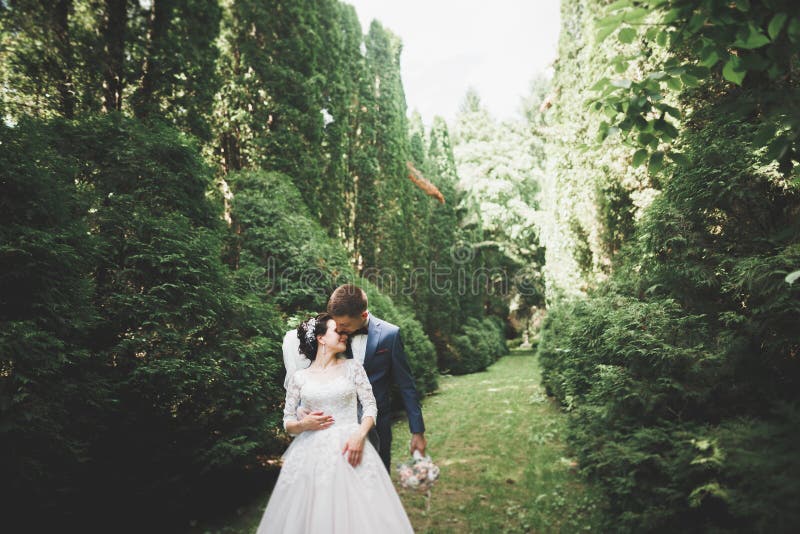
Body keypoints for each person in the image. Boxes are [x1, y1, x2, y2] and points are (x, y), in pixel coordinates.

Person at [257, 314, 414, 533]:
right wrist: (304, 424)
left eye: (344, 331)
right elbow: (288, 422)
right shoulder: (300, 378)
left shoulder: (353, 368)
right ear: (321, 338)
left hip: (351, 448)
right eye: (337, 332)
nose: (344, 335)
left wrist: (360, 435)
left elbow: (370, 407)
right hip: (312, 455)